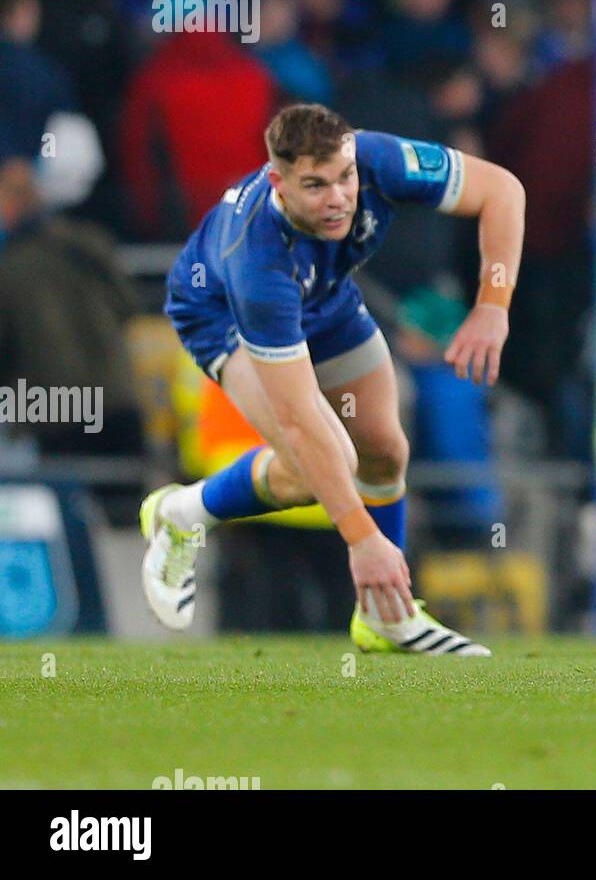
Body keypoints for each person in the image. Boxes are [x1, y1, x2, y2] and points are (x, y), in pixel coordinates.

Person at [142, 102, 525, 657]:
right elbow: (300, 421)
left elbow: (503, 191)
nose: (339, 196)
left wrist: (493, 305)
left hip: (325, 294)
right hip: (221, 312)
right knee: (317, 466)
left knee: (386, 451)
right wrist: (362, 540)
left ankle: (384, 618)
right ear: (278, 182)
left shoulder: (378, 158)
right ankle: (180, 515)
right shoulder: (256, 264)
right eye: (316, 185)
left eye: (344, 178)